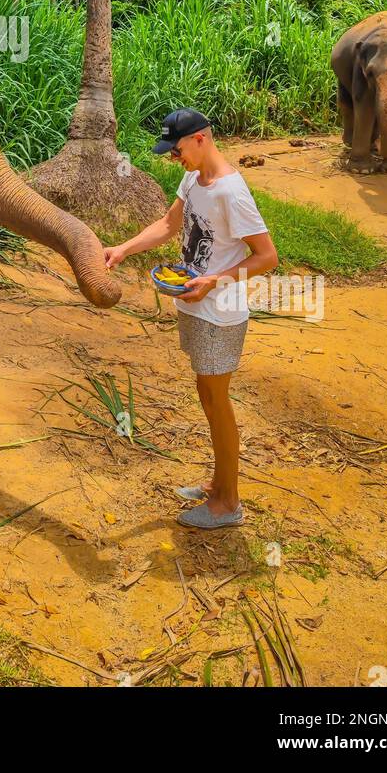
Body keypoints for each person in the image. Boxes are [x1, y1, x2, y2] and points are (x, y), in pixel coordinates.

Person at [104, 109, 278, 529]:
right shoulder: (192, 180)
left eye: (177, 150)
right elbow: (168, 225)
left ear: (200, 139)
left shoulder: (231, 192)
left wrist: (215, 280)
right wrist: (123, 250)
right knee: (207, 396)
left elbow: (267, 257)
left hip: (219, 313)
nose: (172, 158)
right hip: (194, 303)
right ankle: (218, 483)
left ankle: (227, 503)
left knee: (218, 403)